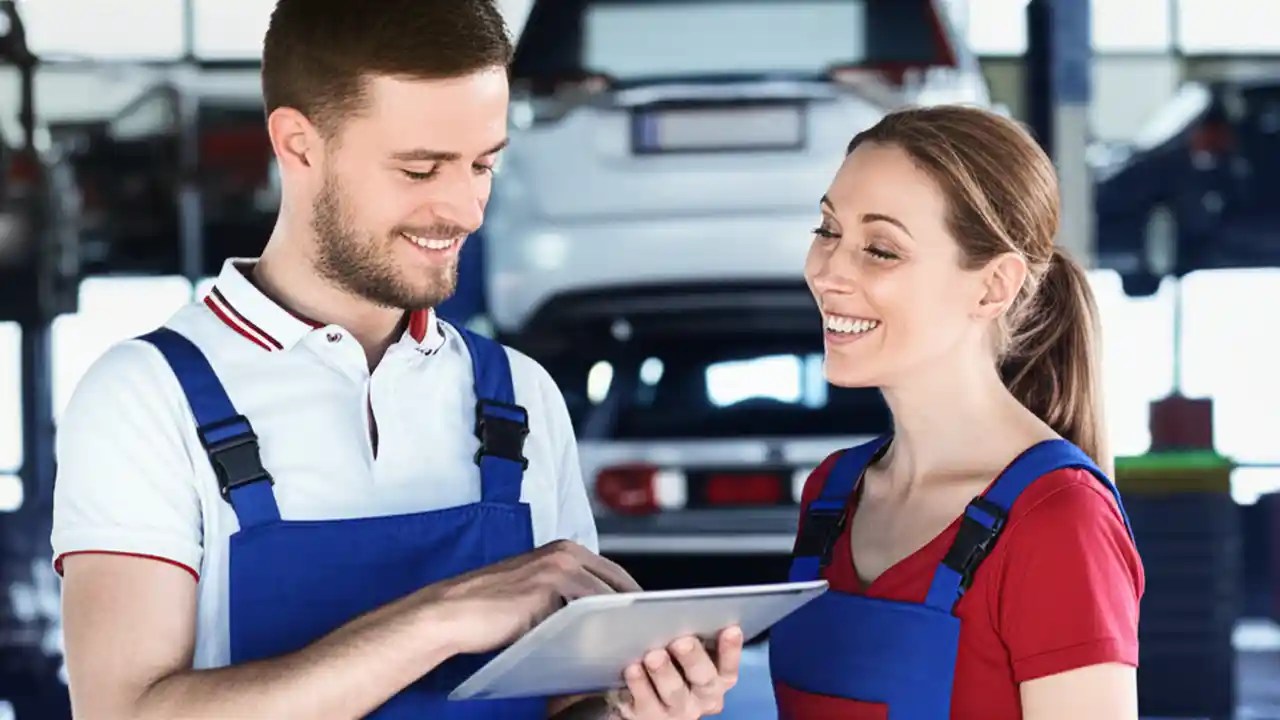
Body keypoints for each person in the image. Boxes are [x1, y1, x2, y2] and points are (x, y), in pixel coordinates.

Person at [51, 1, 741, 718]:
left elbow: (566, 706)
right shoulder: (146, 399)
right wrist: (442, 618)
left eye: (483, 165)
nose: (466, 209)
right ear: (298, 145)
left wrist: (634, 710)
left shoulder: (519, 397)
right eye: (420, 170)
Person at [767, 105, 1145, 720]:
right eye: (828, 230)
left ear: (992, 287)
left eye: (881, 250)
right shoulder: (833, 496)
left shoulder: (1057, 522)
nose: (829, 270)